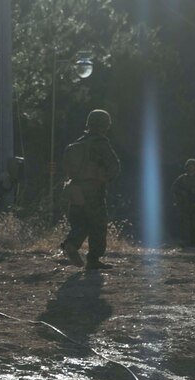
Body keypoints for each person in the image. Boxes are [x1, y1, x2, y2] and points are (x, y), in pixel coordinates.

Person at [59, 108, 120, 269]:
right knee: (98, 225)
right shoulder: (101, 143)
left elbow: (66, 167)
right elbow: (114, 166)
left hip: (74, 189)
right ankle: (93, 259)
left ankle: (71, 244)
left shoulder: (77, 143)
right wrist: (105, 178)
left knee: (81, 223)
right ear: (105, 125)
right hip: (93, 190)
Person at [171, 158, 195, 247]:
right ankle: (184, 241)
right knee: (184, 224)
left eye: (193, 166)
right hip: (184, 204)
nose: (191, 168)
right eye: (189, 166)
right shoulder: (182, 178)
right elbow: (174, 188)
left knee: (194, 224)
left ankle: (193, 241)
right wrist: (182, 192)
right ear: (187, 167)